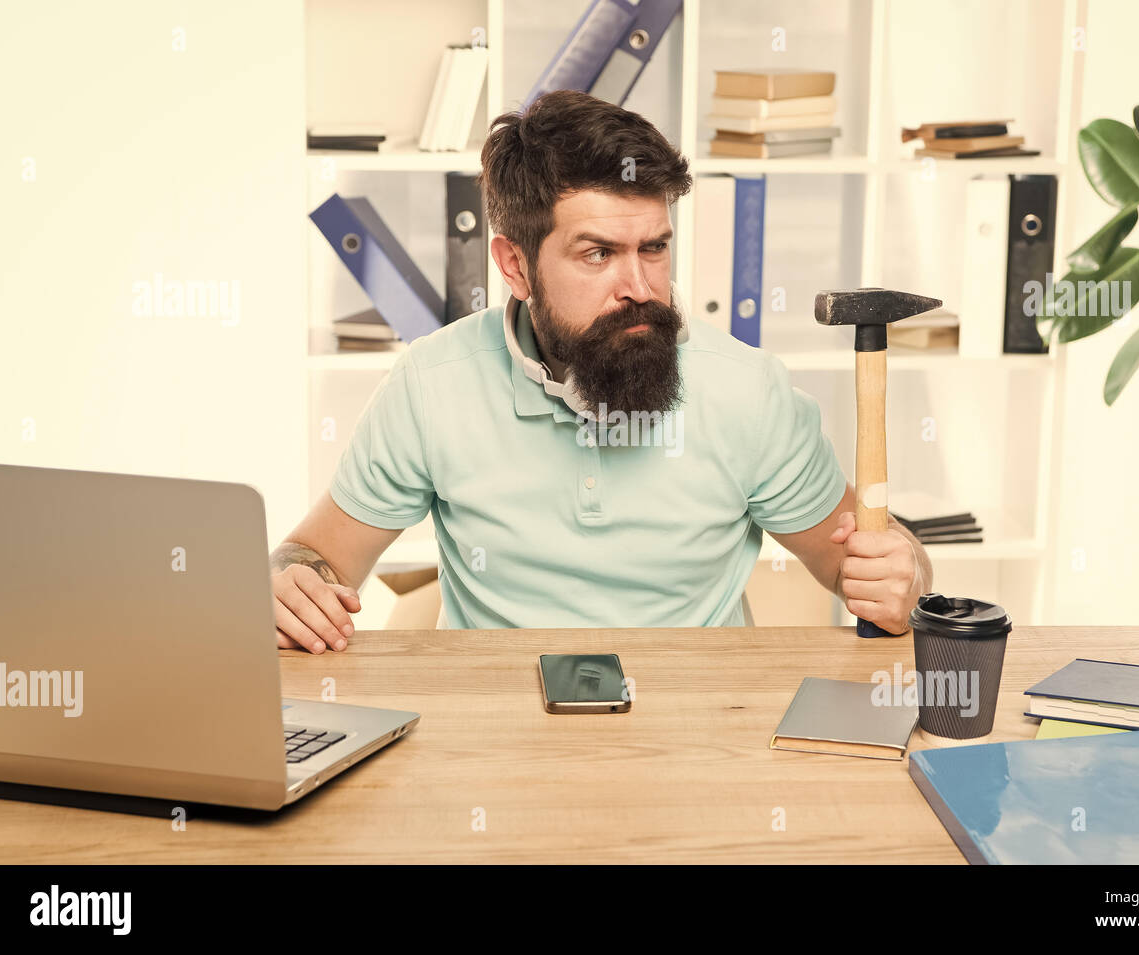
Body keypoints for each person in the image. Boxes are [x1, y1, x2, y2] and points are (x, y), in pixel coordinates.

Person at [270, 89, 932, 651]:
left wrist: (908, 574)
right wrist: (290, 579)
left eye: (653, 248)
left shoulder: (747, 390)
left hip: (700, 742)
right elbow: (316, 556)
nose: (639, 286)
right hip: (501, 740)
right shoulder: (429, 386)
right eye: (598, 254)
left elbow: (858, 559)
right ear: (514, 265)